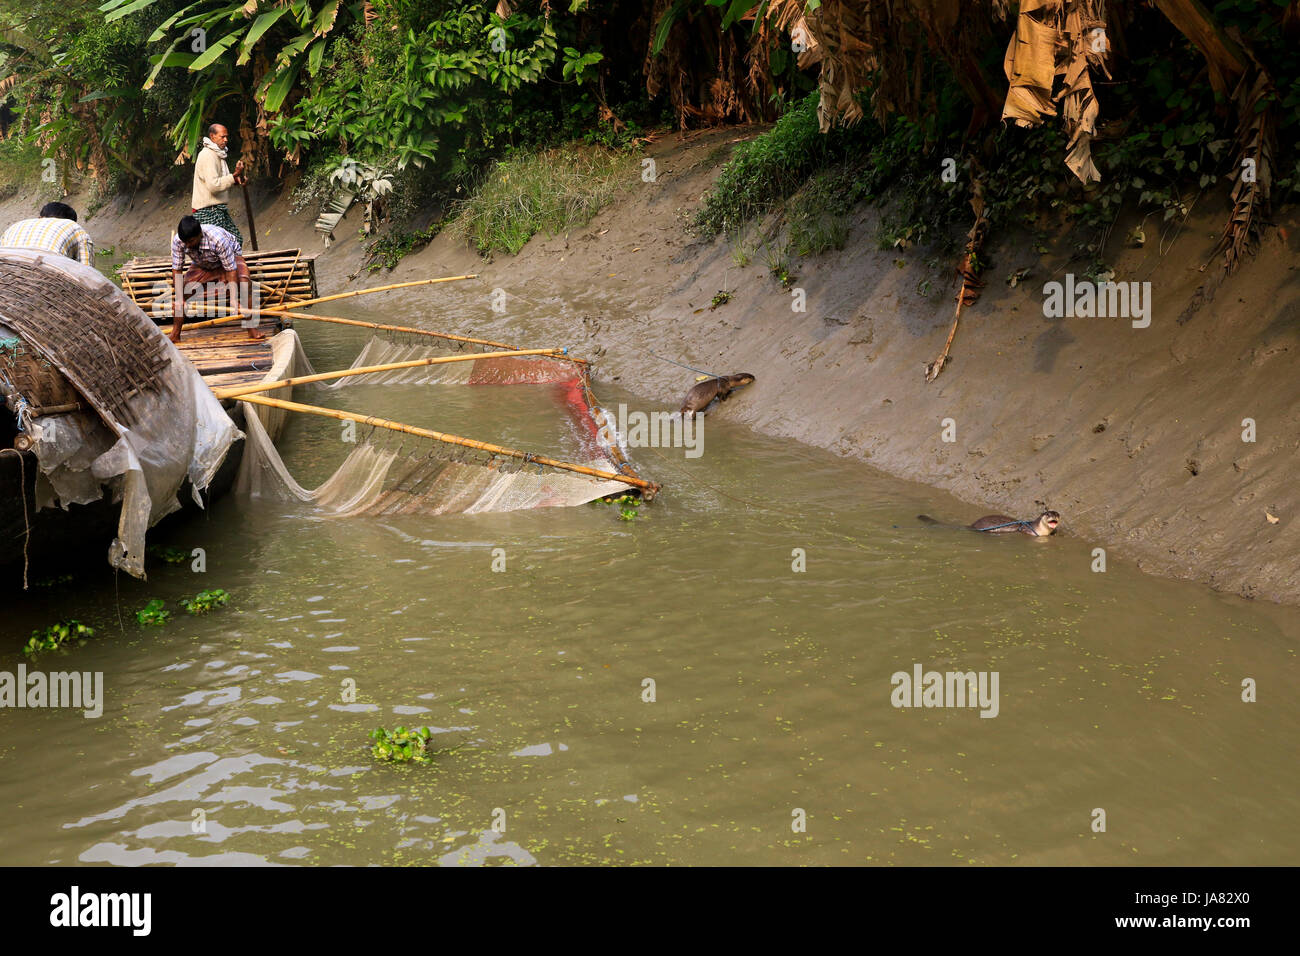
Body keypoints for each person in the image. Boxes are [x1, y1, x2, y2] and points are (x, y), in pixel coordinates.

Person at [170, 214, 262, 344]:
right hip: (203, 263)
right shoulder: (179, 241)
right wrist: (179, 299)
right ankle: (175, 334)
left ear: (199, 234)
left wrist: (234, 299)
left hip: (231, 260)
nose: (188, 245)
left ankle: (252, 329)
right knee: (183, 292)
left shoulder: (218, 240)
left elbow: (231, 269)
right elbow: (177, 269)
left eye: (191, 242)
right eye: (185, 242)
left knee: (244, 282)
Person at [192, 123, 246, 246]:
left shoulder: (218, 154)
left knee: (235, 240)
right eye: (222, 137)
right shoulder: (207, 155)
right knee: (220, 245)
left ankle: (229, 264)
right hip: (207, 211)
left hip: (217, 209)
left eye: (226, 137)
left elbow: (221, 179)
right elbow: (214, 186)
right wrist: (234, 176)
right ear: (212, 136)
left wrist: (236, 180)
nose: (226, 140)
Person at [1, 202, 94, 266]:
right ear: (72, 221)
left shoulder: (16, 226)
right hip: (46, 277)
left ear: (40, 218)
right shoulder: (74, 227)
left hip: (6, 275)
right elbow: (88, 271)